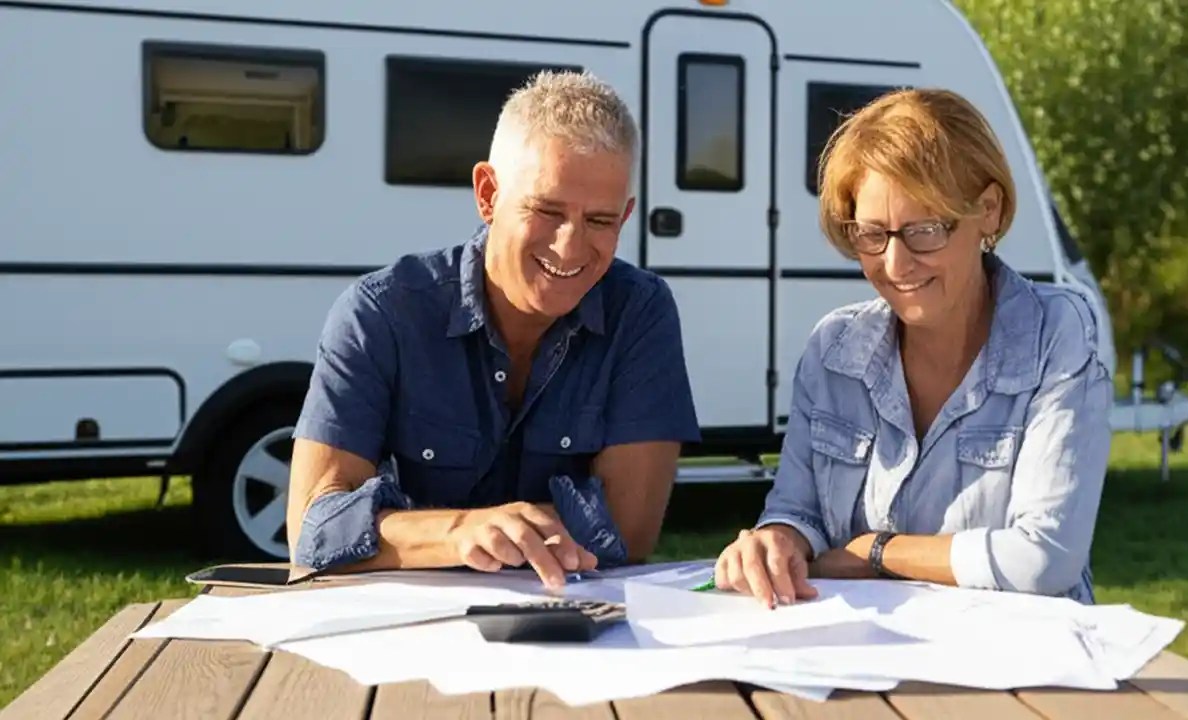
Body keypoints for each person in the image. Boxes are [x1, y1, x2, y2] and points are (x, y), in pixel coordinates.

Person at [285, 70, 701, 588]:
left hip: (575, 630)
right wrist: (461, 531)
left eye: (600, 221)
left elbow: (627, 534)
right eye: (547, 211)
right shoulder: (381, 312)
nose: (570, 246)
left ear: (626, 216)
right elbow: (315, 530)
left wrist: (404, 533)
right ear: (488, 193)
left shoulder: (640, 311)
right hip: (405, 630)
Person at [715, 88, 1113, 607]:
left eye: (925, 230)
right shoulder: (833, 348)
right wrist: (777, 541)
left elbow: (1046, 558)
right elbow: (798, 511)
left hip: (1024, 668)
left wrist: (876, 552)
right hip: (868, 658)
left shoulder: (1058, 332)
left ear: (988, 212)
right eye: (872, 234)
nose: (896, 265)